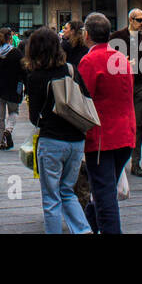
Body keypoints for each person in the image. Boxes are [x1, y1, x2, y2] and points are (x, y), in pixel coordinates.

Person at [23, 26, 91, 234]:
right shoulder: (71, 69)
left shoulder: (35, 77)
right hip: (76, 139)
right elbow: (86, 99)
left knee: (51, 197)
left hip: (52, 140)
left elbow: (35, 117)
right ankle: (82, 229)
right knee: (67, 191)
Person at [77, 12, 135, 234]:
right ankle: (87, 227)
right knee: (102, 190)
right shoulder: (120, 58)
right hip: (125, 135)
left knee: (104, 194)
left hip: (101, 137)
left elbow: (82, 98)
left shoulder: (90, 60)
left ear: (87, 35)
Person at [110, 8, 142, 177]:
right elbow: (108, 60)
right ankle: (116, 160)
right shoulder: (116, 38)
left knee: (138, 124)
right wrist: (121, 63)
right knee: (119, 123)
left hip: (139, 85)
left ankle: (136, 163)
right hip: (120, 86)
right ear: (130, 19)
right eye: (139, 20)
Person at [0, 30, 25, 149]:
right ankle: (9, 129)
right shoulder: (16, 52)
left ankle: (2, 141)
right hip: (13, 86)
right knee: (14, 111)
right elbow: (23, 69)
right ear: (10, 38)